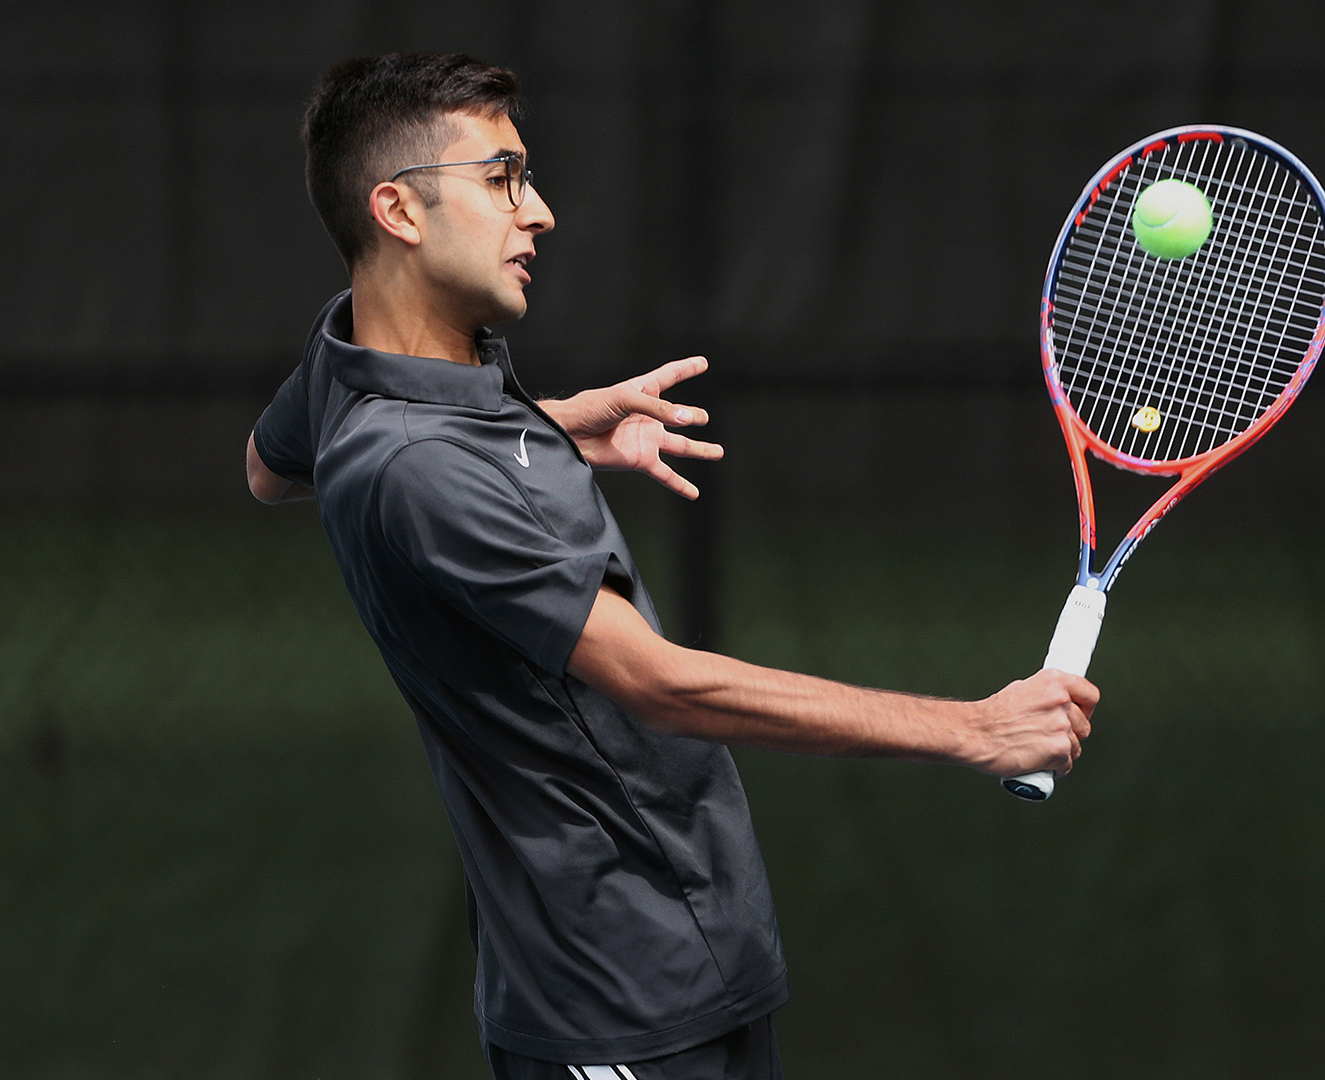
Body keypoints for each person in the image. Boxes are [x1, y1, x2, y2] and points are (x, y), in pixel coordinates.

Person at [244, 52, 1097, 1080]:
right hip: (616, 994)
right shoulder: (425, 468)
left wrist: (547, 429)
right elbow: (662, 683)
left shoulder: (353, 368)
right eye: (503, 178)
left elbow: (269, 468)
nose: (541, 211)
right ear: (399, 210)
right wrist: (974, 729)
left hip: (675, 957)